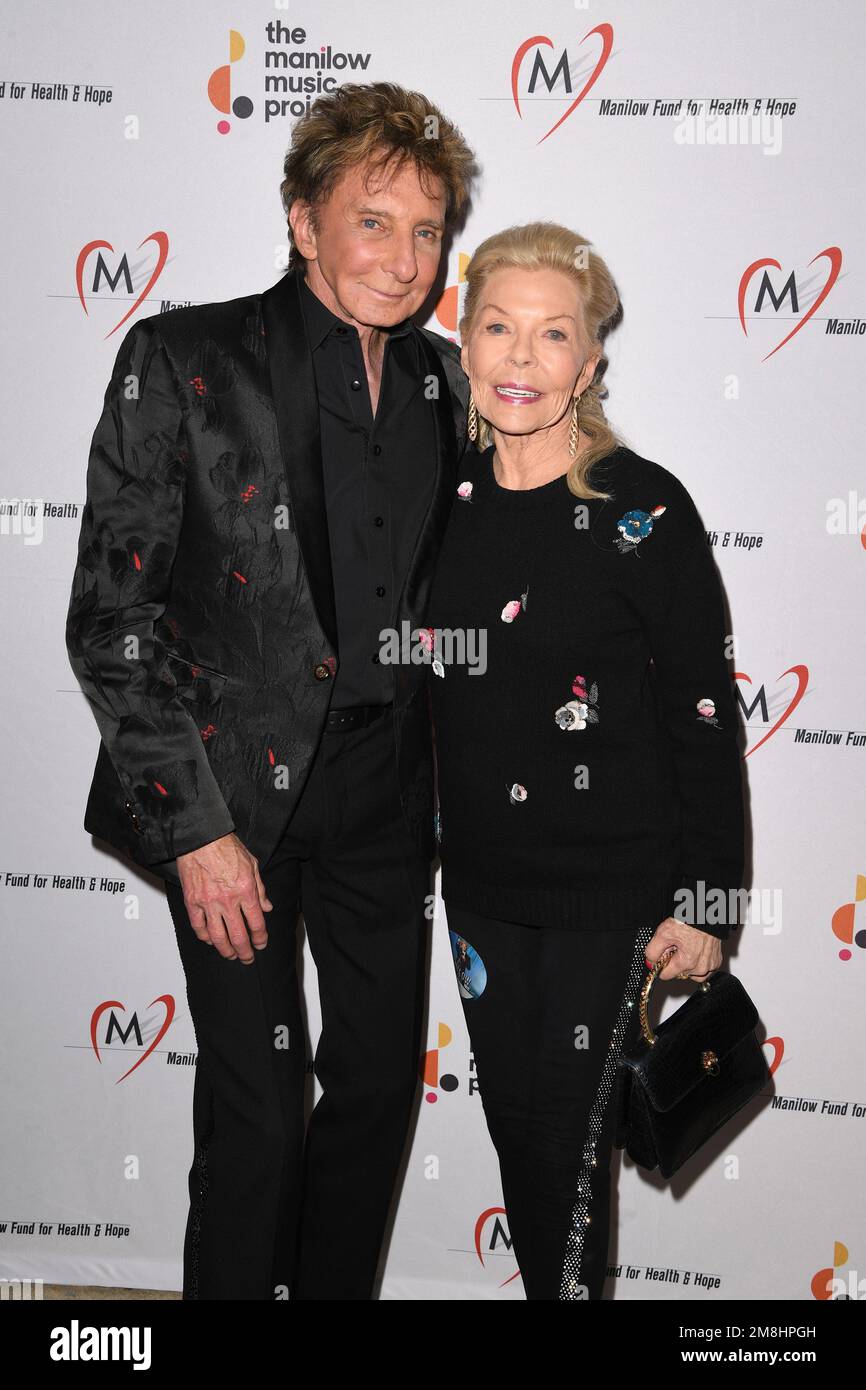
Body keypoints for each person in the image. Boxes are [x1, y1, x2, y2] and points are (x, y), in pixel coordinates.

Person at [65, 81, 478, 1300]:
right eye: (372, 222)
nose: (404, 261)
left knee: (369, 1094)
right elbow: (110, 622)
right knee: (255, 1114)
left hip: (386, 801)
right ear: (302, 222)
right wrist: (197, 836)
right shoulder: (183, 360)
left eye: (426, 230)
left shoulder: (449, 385)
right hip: (230, 797)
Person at [427, 222, 746, 1300]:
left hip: (608, 897)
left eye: (550, 335)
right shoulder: (435, 506)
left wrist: (706, 901)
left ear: (589, 362)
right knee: (523, 1147)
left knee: (565, 1158)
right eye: (498, 329)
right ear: (460, 343)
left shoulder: (644, 509)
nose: (520, 359)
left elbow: (702, 714)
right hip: (477, 892)